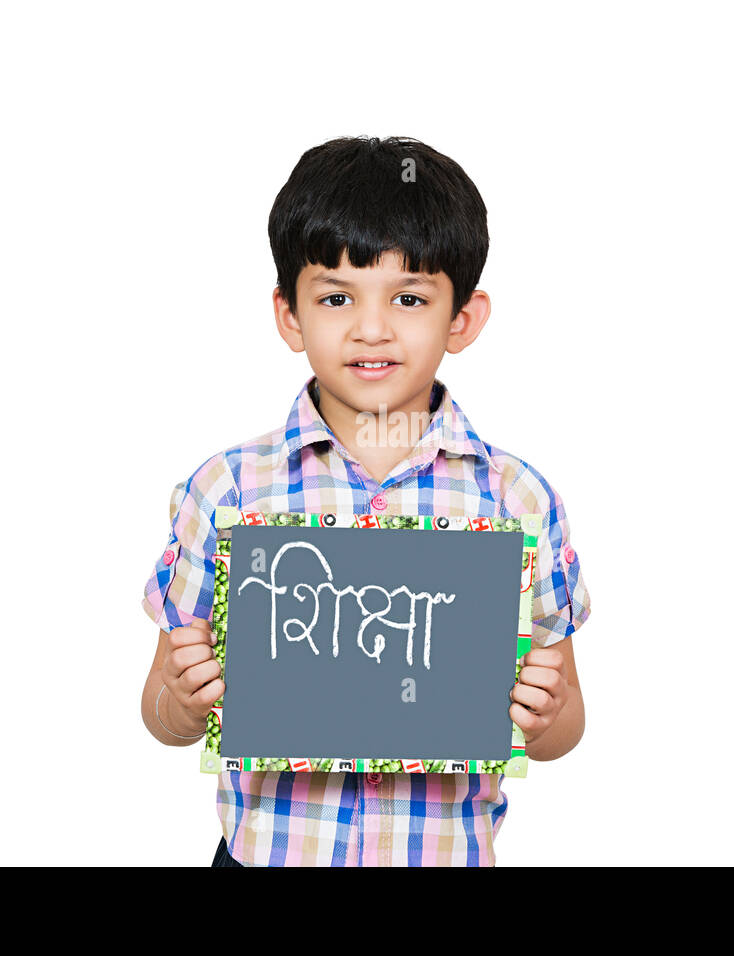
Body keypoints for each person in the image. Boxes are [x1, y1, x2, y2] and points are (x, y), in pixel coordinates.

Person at [139, 136, 592, 866]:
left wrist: (548, 713)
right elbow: (162, 715)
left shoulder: (517, 499)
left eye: (409, 298)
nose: (371, 327)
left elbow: (564, 723)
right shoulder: (228, 489)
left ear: (463, 319)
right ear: (289, 313)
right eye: (336, 297)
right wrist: (182, 699)